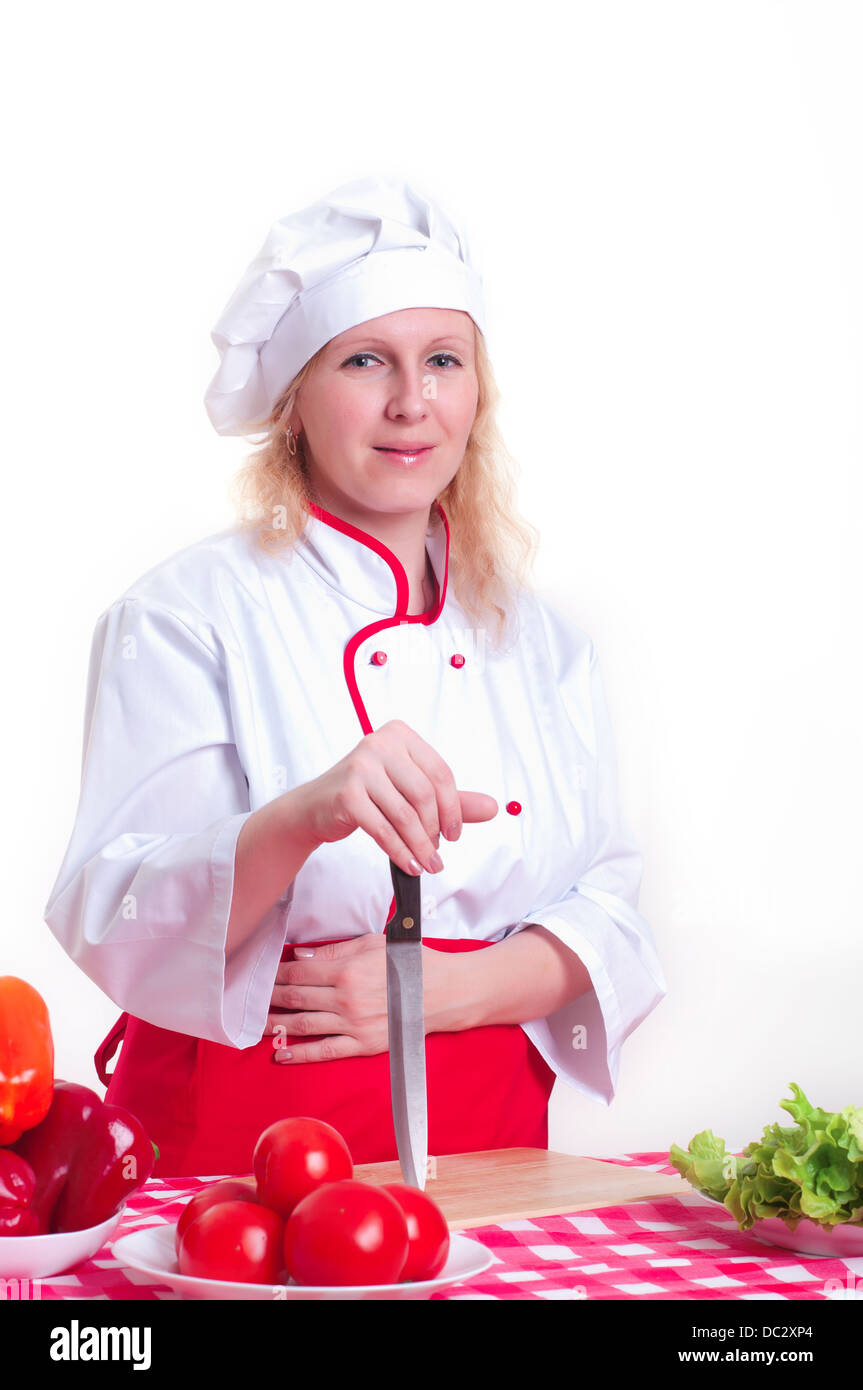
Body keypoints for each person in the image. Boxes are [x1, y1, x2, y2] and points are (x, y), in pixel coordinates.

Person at [43, 175, 667, 1177]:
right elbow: (113, 914)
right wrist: (307, 813)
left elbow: (610, 909)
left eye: (443, 361)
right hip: (243, 1153)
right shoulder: (186, 615)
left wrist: (437, 992)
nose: (411, 401)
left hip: (491, 1148)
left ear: (476, 395)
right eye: (365, 359)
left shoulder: (543, 643)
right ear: (294, 402)